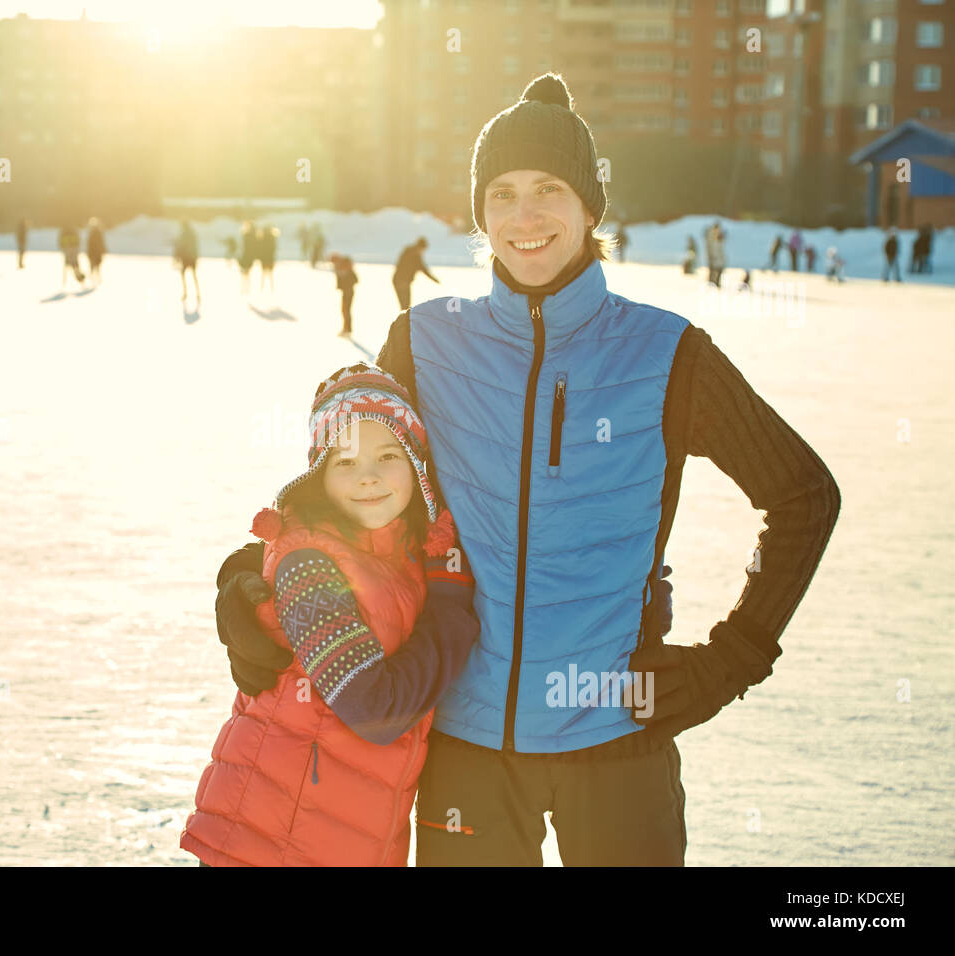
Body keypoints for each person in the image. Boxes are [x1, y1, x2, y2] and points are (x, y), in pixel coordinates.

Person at [212, 72, 840, 867]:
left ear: (588, 209)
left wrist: (735, 657)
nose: (526, 216)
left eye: (549, 189)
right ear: (481, 216)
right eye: (502, 195)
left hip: (618, 734)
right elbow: (353, 489)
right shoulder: (426, 342)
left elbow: (804, 495)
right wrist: (249, 579)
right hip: (464, 746)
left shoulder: (667, 354)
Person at [181, 364, 480, 866]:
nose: (368, 475)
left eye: (388, 455)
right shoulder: (310, 566)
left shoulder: (403, 559)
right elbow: (374, 709)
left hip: (336, 838)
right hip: (271, 842)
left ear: (417, 469)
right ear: (320, 475)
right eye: (345, 462)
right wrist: (452, 608)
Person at [392, 236, 439, 311]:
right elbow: (423, 269)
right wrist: (435, 279)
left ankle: (405, 320)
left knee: (406, 305)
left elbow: (422, 268)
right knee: (405, 305)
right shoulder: (413, 254)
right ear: (420, 247)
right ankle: (404, 321)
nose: (423, 252)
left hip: (402, 281)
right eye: (423, 250)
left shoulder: (411, 252)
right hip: (401, 281)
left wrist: (434, 279)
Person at [330, 252, 359, 336]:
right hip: (346, 291)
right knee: (344, 310)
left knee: (346, 310)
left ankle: (347, 329)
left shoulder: (344, 266)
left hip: (348, 291)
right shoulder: (341, 267)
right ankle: (346, 328)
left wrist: (345, 284)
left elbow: (355, 279)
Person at [174, 220, 201, 306]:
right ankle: (197, 293)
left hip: (186, 257)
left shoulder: (184, 234)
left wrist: (177, 256)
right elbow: (195, 245)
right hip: (192, 257)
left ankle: (186, 292)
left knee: (184, 274)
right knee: (193, 275)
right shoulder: (192, 233)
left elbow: (181, 245)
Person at [237, 221, 256, 294]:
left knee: (245, 273)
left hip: (247, 256)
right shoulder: (248, 235)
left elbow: (245, 247)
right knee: (246, 274)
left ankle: (246, 288)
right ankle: (245, 288)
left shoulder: (247, 236)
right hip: (247, 256)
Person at [705, 220, 726, 287]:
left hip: (718, 258)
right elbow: (711, 247)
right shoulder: (711, 236)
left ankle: (715, 282)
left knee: (718, 270)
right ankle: (712, 283)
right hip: (714, 257)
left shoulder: (718, 236)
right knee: (714, 270)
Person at [85, 217, 106, 284]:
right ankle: (94, 278)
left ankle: (95, 278)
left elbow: (100, 242)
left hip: (95, 252)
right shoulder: (95, 232)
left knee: (95, 265)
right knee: (95, 265)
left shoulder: (95, 232)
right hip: (94, 252)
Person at [260, 224, 279, 292]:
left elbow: (261, 249)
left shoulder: (263, 238)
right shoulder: (272, 238)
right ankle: (271, 288)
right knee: (269, 274)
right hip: (269, 258)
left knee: (264, 274)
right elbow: (274, 249)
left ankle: (263, 288)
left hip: (265, 258)